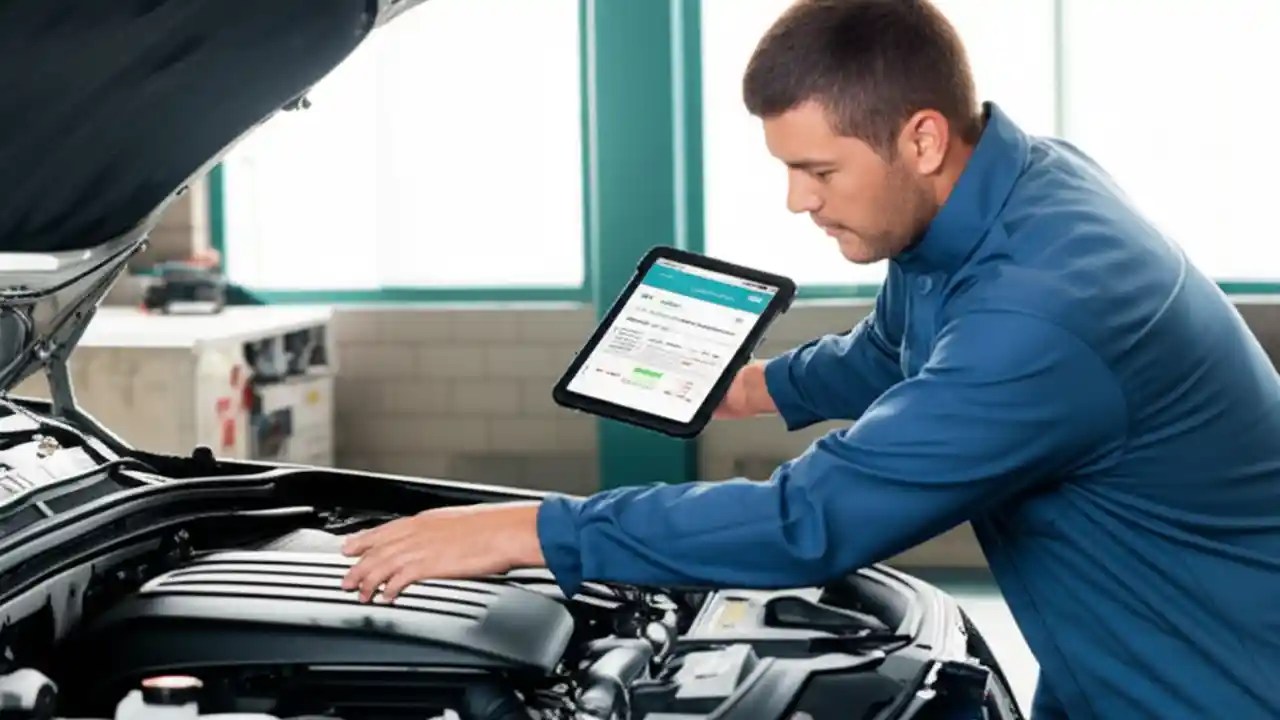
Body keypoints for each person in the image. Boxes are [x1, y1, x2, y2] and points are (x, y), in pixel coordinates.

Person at [339, 1, 1280, 717]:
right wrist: (757, 388)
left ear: (921, 137)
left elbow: (811, 522)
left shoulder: (1046, 313)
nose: (797, 201)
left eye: (819, 171)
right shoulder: (1009, 189)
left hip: (1217, 683)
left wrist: (533, 532)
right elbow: (898, 344)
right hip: (1113, 655)